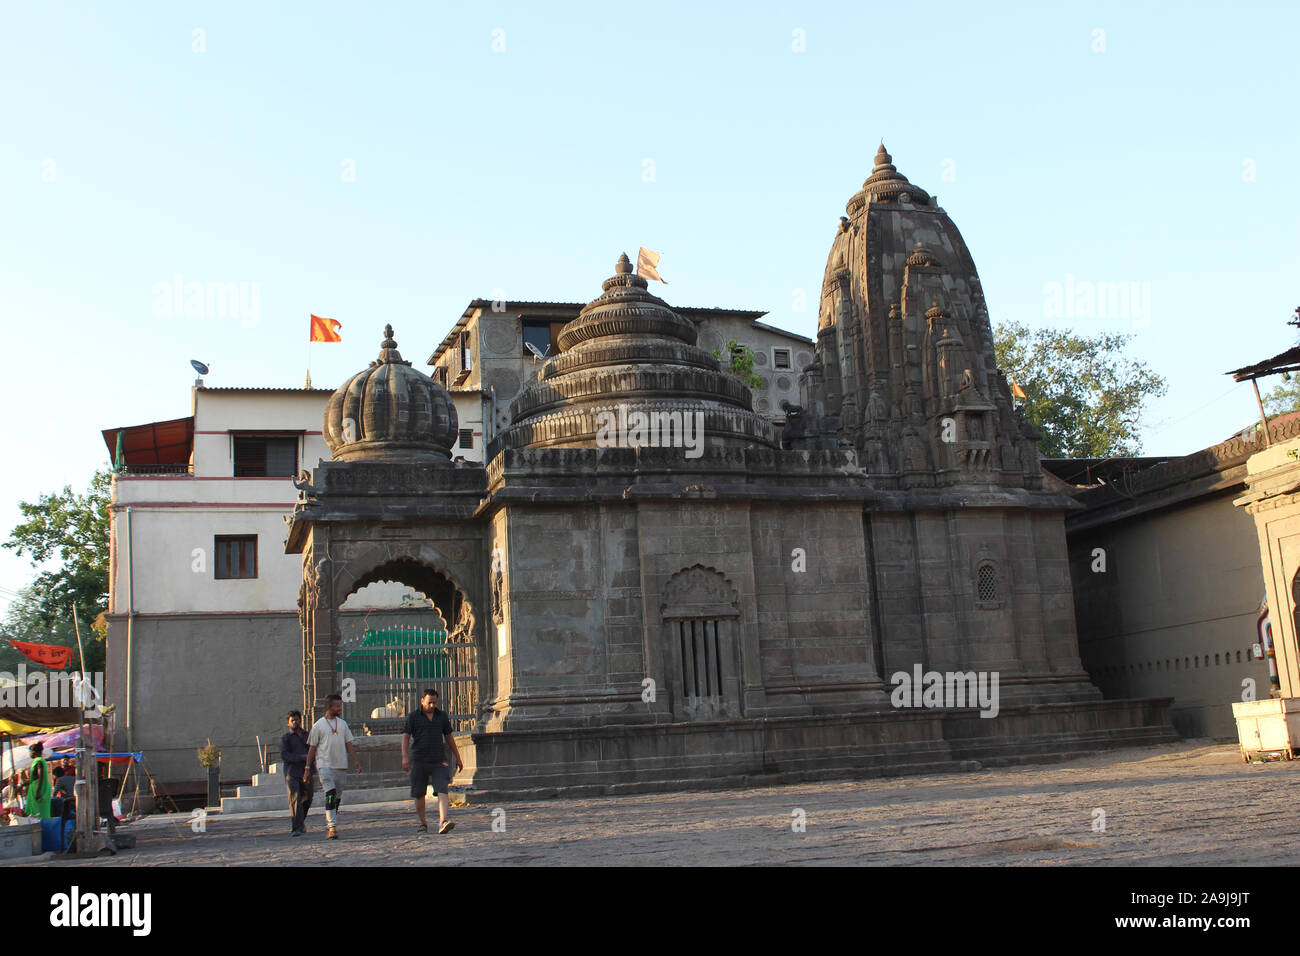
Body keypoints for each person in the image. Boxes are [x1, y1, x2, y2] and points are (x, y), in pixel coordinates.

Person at [401, 688, 463, 835]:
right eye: (429, 703)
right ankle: (423, 823)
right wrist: (405, 757)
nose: (432, 706)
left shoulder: (441, 716)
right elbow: (405, 737)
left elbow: (449, 738)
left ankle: (443, 821)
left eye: (434, 703)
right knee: (418, 793)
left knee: (442, 788)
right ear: (422, 701)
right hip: (419, 760)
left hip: (438, 759)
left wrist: (458, 757)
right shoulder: (413, 717)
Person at [304, 693, 360, 840]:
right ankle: (332, 827)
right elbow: (312, 748)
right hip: (324, 765)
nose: (340, 708)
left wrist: (355, 761)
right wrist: (307, 768)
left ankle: (332, 819)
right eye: (337, 706)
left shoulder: (342, 724)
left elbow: (348, 744)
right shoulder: (318, 726)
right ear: (329, 707)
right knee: (330, 794)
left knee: (336, 798)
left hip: (341, 765)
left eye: (340, 706)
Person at [281, 710, 314, 836]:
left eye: (297, 720)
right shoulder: (286, 738)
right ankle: (297, 827)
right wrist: (302, 757)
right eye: (292, 720)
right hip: (292, 773)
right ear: (288, 723)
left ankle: (300, 821)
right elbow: (285, 755)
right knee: (295, 799)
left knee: (308, 798)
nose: (295, 722)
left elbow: (313, 749)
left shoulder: (307, 735)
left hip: (307, 771)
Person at [24, 743, 52, 819]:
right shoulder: (37, 761)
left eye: (29, 752)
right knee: (36, 813)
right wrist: (22, 785)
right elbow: (34, 778)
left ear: (34, 752)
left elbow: (41, 777)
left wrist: (38, 792)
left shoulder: (39, 761)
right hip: (35, 788)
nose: (29, 754)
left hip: (39, 790)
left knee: (39, 813)